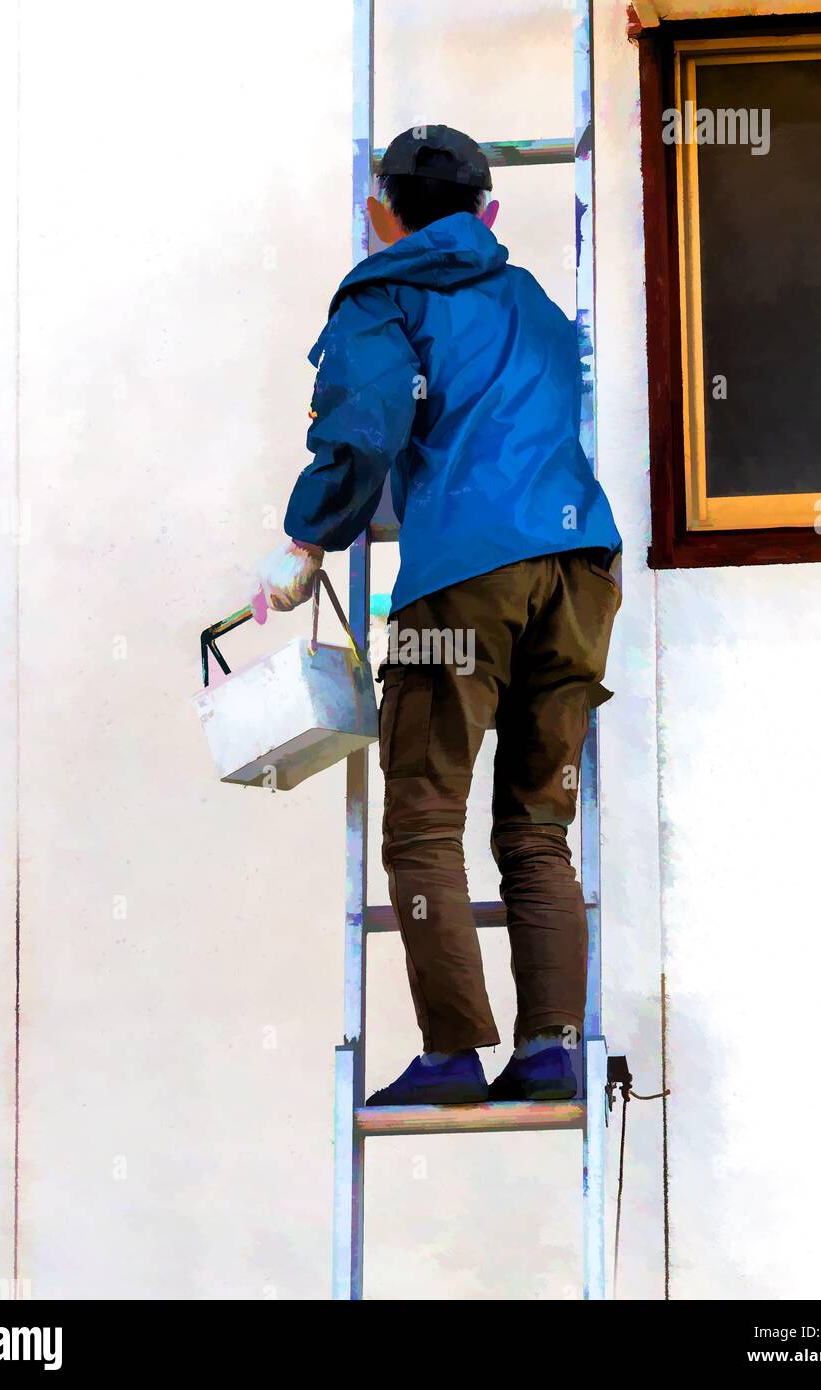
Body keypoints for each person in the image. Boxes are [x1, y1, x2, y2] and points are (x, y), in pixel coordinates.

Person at [253, 126, 622, 1105]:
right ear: (488, 212)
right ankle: (549, 1049)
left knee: (422, 821)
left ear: (381, 212)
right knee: (538, 826)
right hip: (583, 567)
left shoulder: (382, 295)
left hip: (463, 577)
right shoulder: (536, 304)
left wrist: (304, 545)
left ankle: (453, 1056)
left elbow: (365, 425)